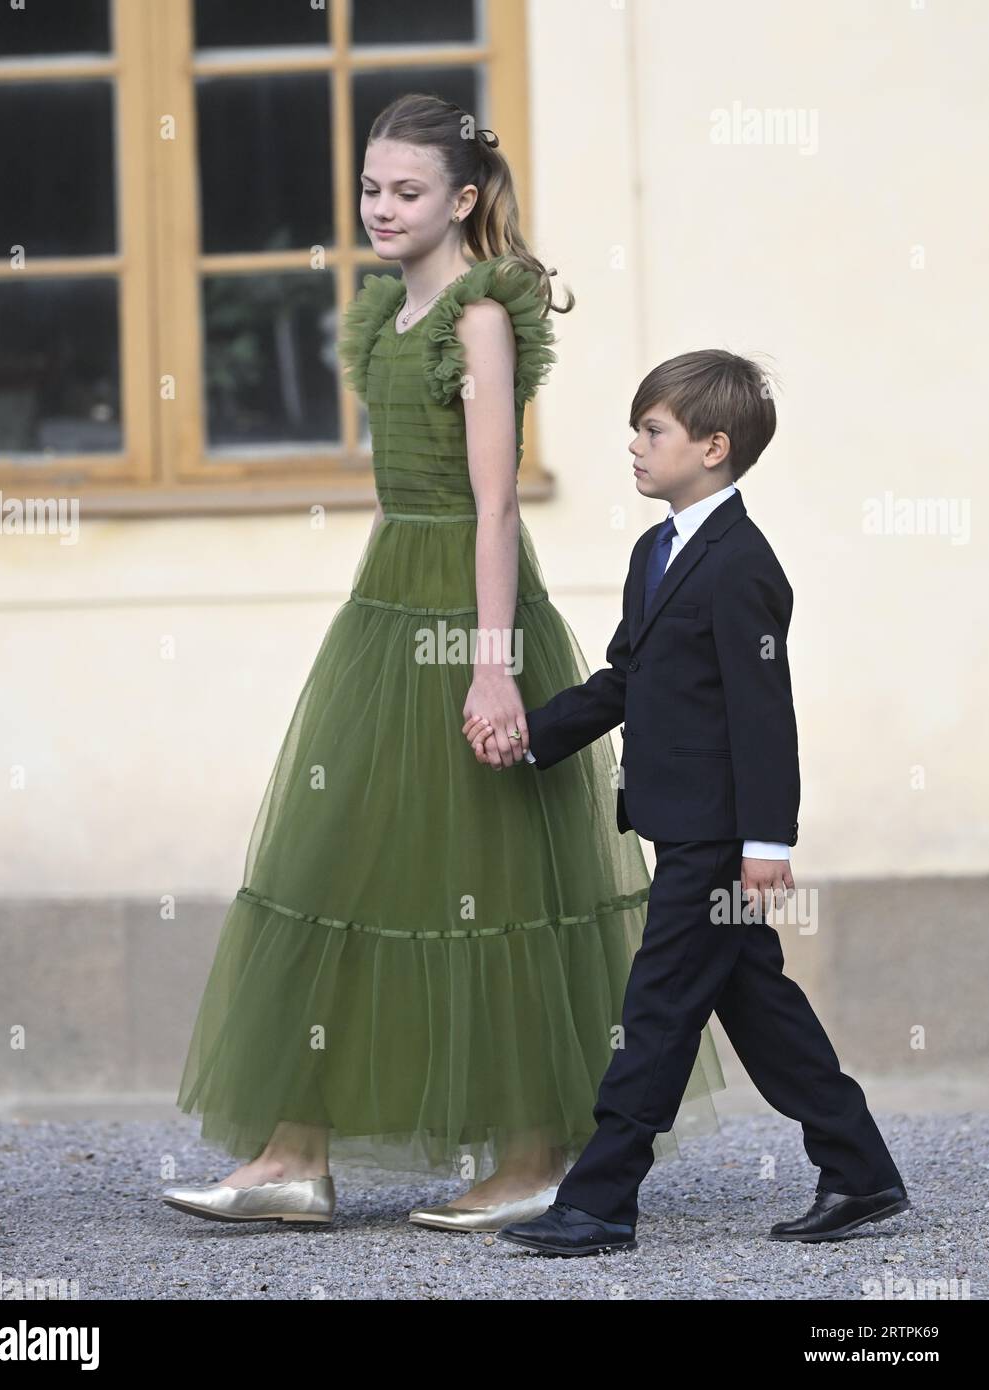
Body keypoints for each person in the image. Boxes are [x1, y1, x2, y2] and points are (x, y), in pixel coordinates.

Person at [161, 95, 725, 1232]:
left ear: (463, 199)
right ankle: (292, 1156)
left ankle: (530, 1158)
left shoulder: (479, 318)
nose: (381, 208)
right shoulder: (390, 315)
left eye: (407, 191)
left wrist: (492, 667)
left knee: (498, 879)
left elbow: (494, 499)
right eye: (371, 187)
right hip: (384, 610)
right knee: (335, 865)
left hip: (467, 617)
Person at [466, 351, 910, 1255]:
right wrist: (532, 733)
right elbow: (625, 678)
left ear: (712, 448)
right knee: (758, 1006)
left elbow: (763, 715)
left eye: (651, 430)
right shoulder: (655, 552)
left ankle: (597, 1202)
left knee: (658, 1007)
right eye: (637, 427)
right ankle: (860, 1171)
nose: (632, 445)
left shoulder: (741, 565)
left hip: (716, 837)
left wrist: (766, 841)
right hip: (679, 825)